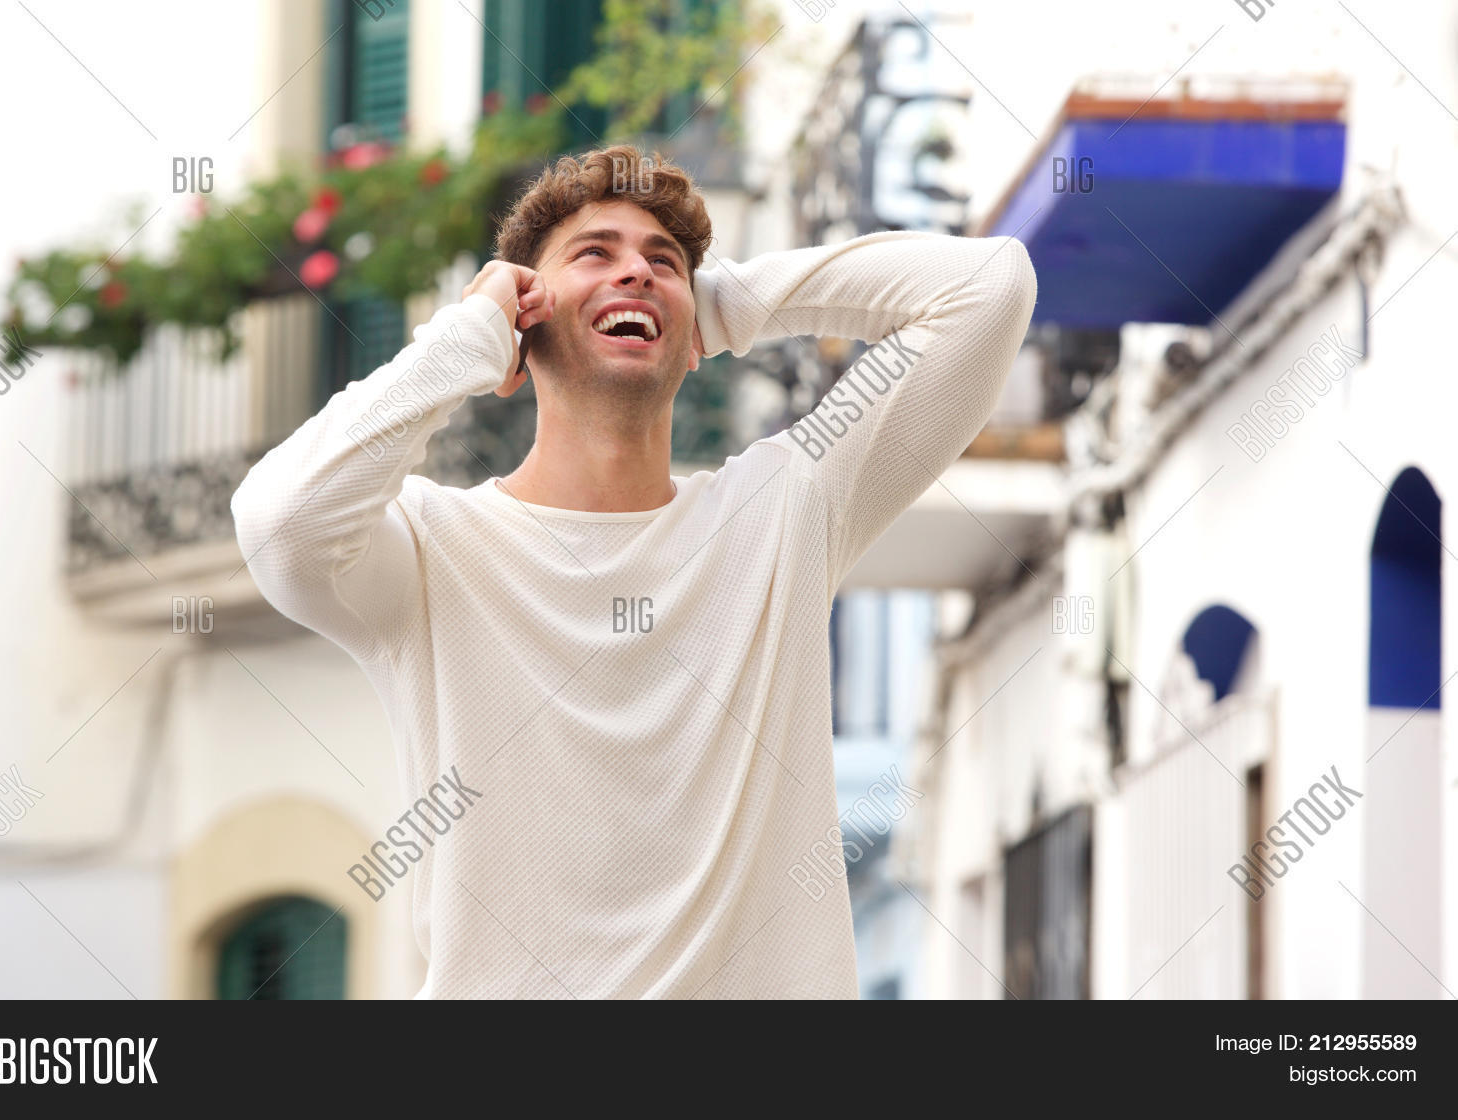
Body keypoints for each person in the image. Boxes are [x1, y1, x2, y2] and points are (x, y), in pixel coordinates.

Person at [230, 143, 1037, 998]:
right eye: (593, 254)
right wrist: (463, 340)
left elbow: (990, 288)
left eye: (662, 263)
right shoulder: (429, 552)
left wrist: (724, 303)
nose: (636, 273)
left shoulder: (783, 512)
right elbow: (281, 524)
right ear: (523, 325)